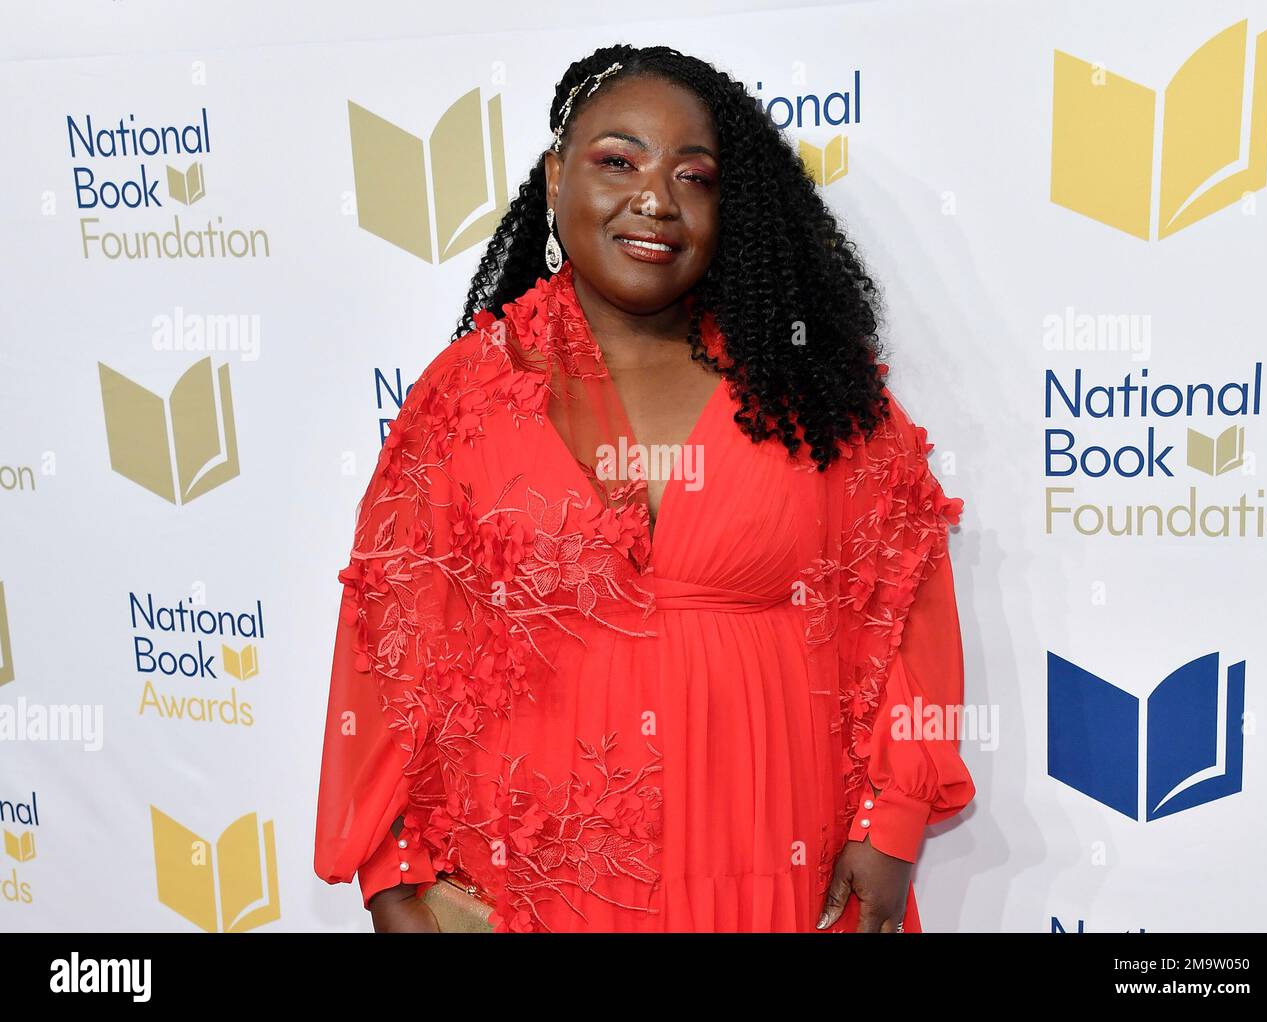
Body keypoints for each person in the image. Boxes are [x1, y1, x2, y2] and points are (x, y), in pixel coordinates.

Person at [314, 43, 975, 933]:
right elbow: (390, 636)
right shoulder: (466, 393)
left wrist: (890, 821)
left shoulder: (811, 388)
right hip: (534, 875)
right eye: (617, 161)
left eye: (693, 177)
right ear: (555, 180)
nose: (655, 199)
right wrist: (391, 865)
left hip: (771, 847)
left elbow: (903, 597)